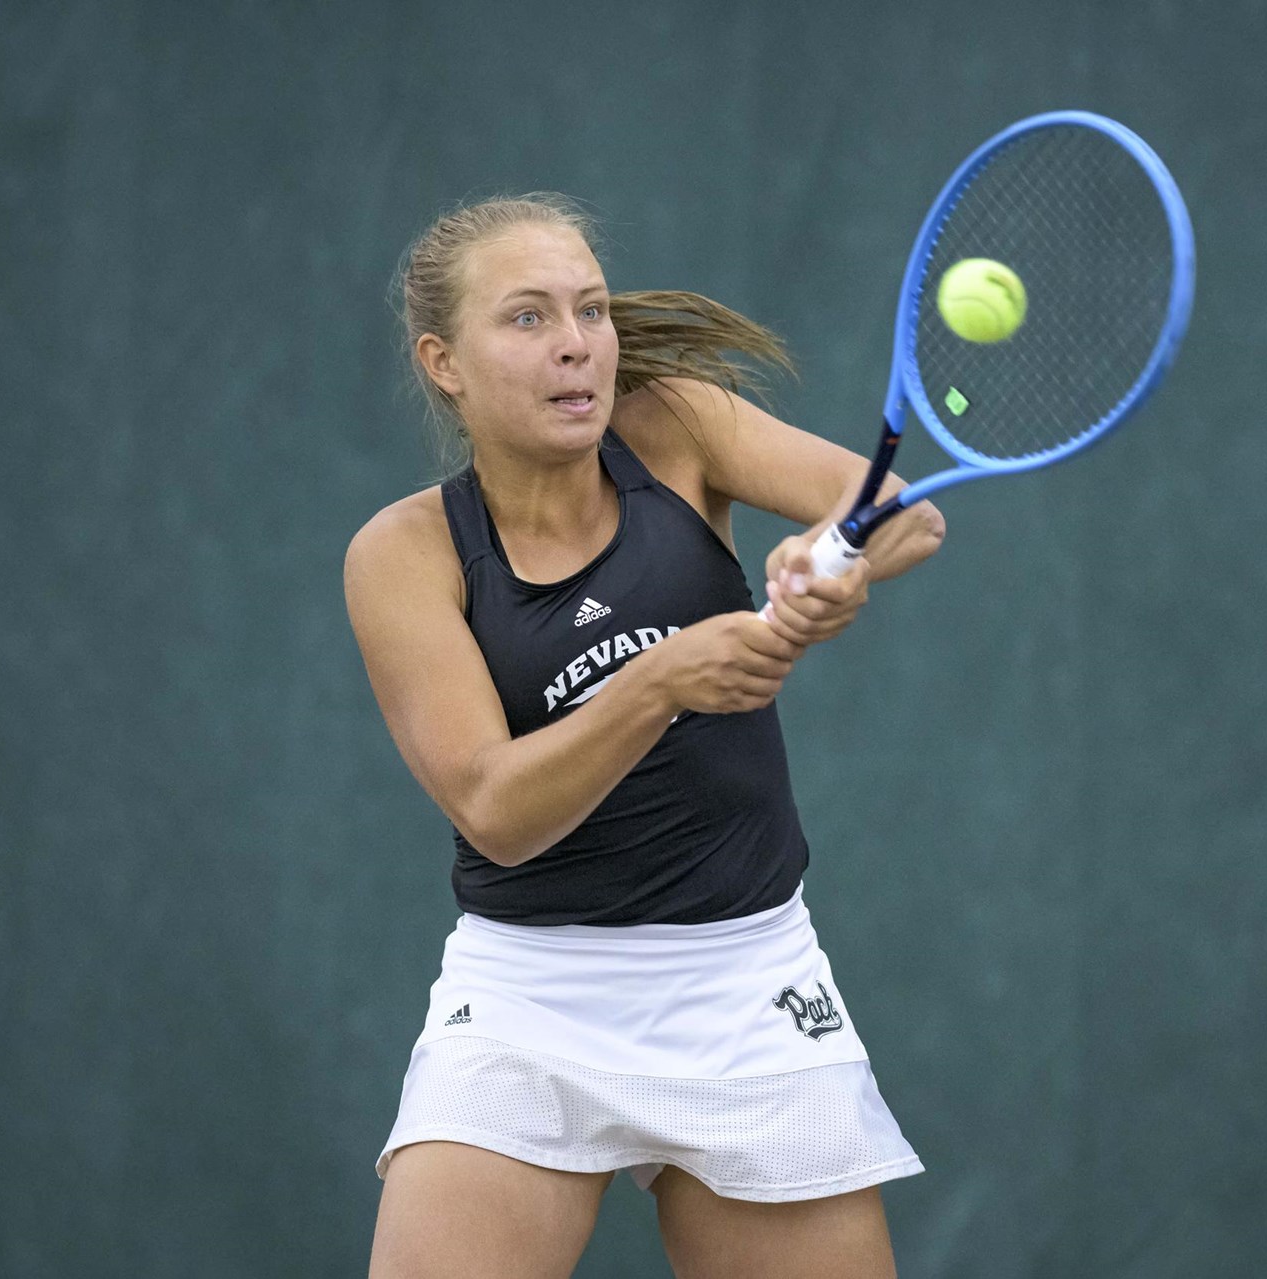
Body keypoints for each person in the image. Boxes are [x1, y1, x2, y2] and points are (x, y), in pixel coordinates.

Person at [344, 193, 944, 1278]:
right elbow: (496, 809)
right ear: (445, 361)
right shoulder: (404, 553)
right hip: (530, 1002)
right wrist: (660, 679)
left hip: (746, 984)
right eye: (527, 318)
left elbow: (900, 510)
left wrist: (834, 564)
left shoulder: (677, 424)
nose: (576, 344)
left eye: (589, 310)